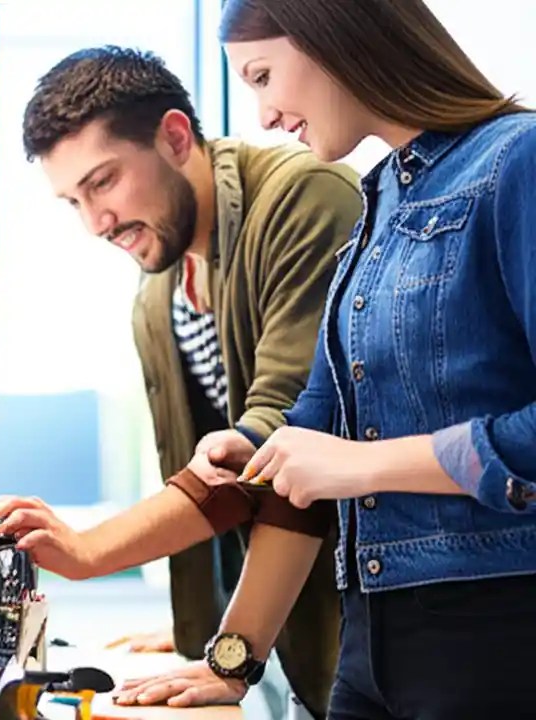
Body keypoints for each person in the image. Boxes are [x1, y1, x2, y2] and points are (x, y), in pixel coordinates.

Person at [111, 1, 536, 717]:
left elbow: (340, 456)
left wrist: (361, 466)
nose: (266, 114)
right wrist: (251, 446)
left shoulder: (516, 161)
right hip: (369, 643)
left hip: (495, 635)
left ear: (332, 36)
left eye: (263, 76)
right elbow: (315, 425)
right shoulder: (380, 204)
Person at [0, 46, 361, 718]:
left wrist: (91, 553)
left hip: (376, 643)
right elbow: (217, 480)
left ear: (176, 137)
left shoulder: (305, 198)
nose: (95, 223)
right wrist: (204, 634)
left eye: (104, 182)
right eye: (73, 201)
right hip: (288, 643)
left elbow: (276, 453)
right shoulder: (159, 295)